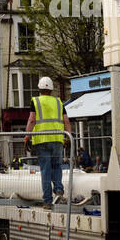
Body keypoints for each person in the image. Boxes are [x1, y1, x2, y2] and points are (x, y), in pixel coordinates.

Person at [23, 77, 72, 208]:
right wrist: (68, 137)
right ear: (51, 89)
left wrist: (27, 136)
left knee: (46, 170)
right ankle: (59, 189)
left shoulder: (36, 101)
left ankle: (47, 201)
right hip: (57, 139)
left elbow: (32, 120)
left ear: (39, 89)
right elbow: (66, 120)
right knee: (57, 166)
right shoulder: (58, 102)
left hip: (42, 140)